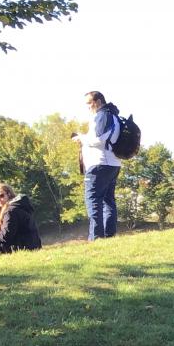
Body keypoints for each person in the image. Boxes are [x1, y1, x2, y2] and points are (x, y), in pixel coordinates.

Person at [73, 90, 121, 240]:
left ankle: (96, 237)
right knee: (108, 200)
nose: (87, 107)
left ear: (98, 101)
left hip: (99, 164)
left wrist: (81, 138)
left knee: (93, 199)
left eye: (89, 103)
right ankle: (109, 235)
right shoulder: (113, 116)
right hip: (113, 163)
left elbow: (99, 139)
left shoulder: (102, 115)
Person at [0, 183, 42, 252]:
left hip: (24, 249)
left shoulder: (11, 211)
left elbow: (5, 237)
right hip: (32, 247)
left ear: (9, 194)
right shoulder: (18, 207)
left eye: (1, 196)